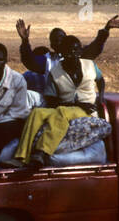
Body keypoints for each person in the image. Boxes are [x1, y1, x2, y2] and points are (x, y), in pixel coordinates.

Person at [9, 37, 102, 168]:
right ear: (62, 53)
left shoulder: (90, 65)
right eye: (69, 51)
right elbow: (52, 101)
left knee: (61, 112)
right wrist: (25, 41)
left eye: (76, 50)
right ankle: (21, 156)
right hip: (69, 107)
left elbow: (101, 79)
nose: (73, 54)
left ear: (80, 51)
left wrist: (101, 97)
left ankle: (42, 152)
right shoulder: (55, 72)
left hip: (88, 111)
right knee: (37, 112)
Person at [0, 42, 42, 170]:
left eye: (0, 59)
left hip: (13, 122)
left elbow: (18, 112)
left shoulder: (17, 80)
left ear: (5, 60)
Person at [15, 15, 119, 82]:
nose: (60, 42)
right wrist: (25, 41)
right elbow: (30, 61)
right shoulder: (49, 61)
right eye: (56, 40)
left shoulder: (77, 54)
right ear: (52, 46)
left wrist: (106, 29)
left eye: (62, 38)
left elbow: (95, 48)